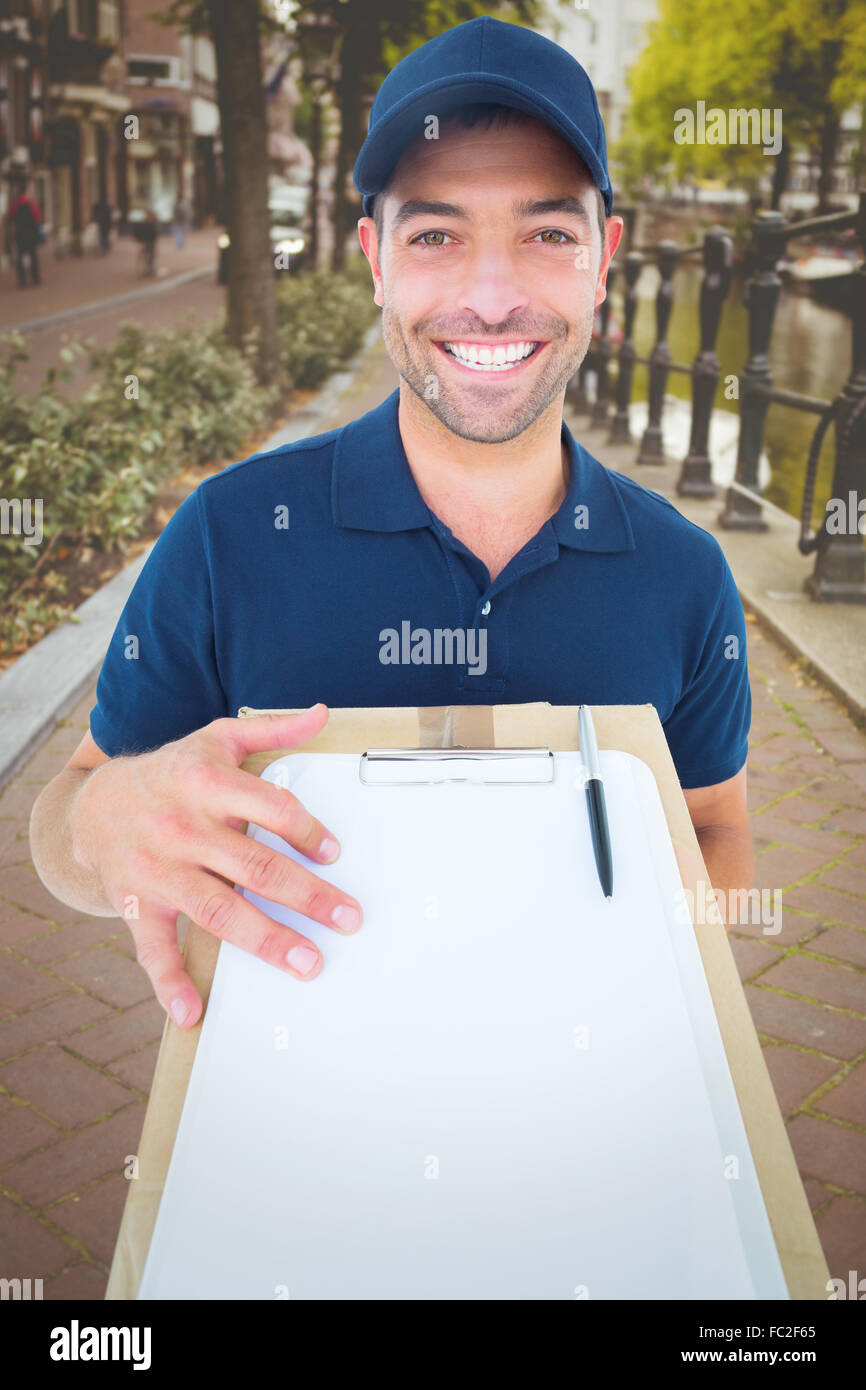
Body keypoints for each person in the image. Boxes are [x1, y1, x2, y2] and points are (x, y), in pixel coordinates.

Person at [31, 18, 754, 1032]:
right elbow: (65, 816)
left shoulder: (685, 575)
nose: (491, 298)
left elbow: (716, 825)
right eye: (434, 234)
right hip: (295, 1114)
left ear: (603, 260)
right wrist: (107, 822)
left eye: (547, 231)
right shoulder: (227, 534)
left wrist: (642, 978)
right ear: (375, 257)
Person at [7, 181, 42, 287]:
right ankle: (35, 278)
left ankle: (23, 280)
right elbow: (37, 218)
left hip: (20, 234)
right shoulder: (31, 203)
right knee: (33, 256)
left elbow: (10, 217)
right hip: (30, 233)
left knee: (20, 257)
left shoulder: (15, 203)